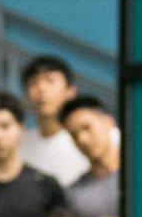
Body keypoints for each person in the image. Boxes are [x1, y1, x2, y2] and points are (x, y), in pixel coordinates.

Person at [18, 55, 91, 186]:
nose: (41, 89)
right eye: (33, 83)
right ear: (26, 97)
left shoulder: (87, 139)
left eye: (50, 81)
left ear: (70, 92)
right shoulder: (19, 144)